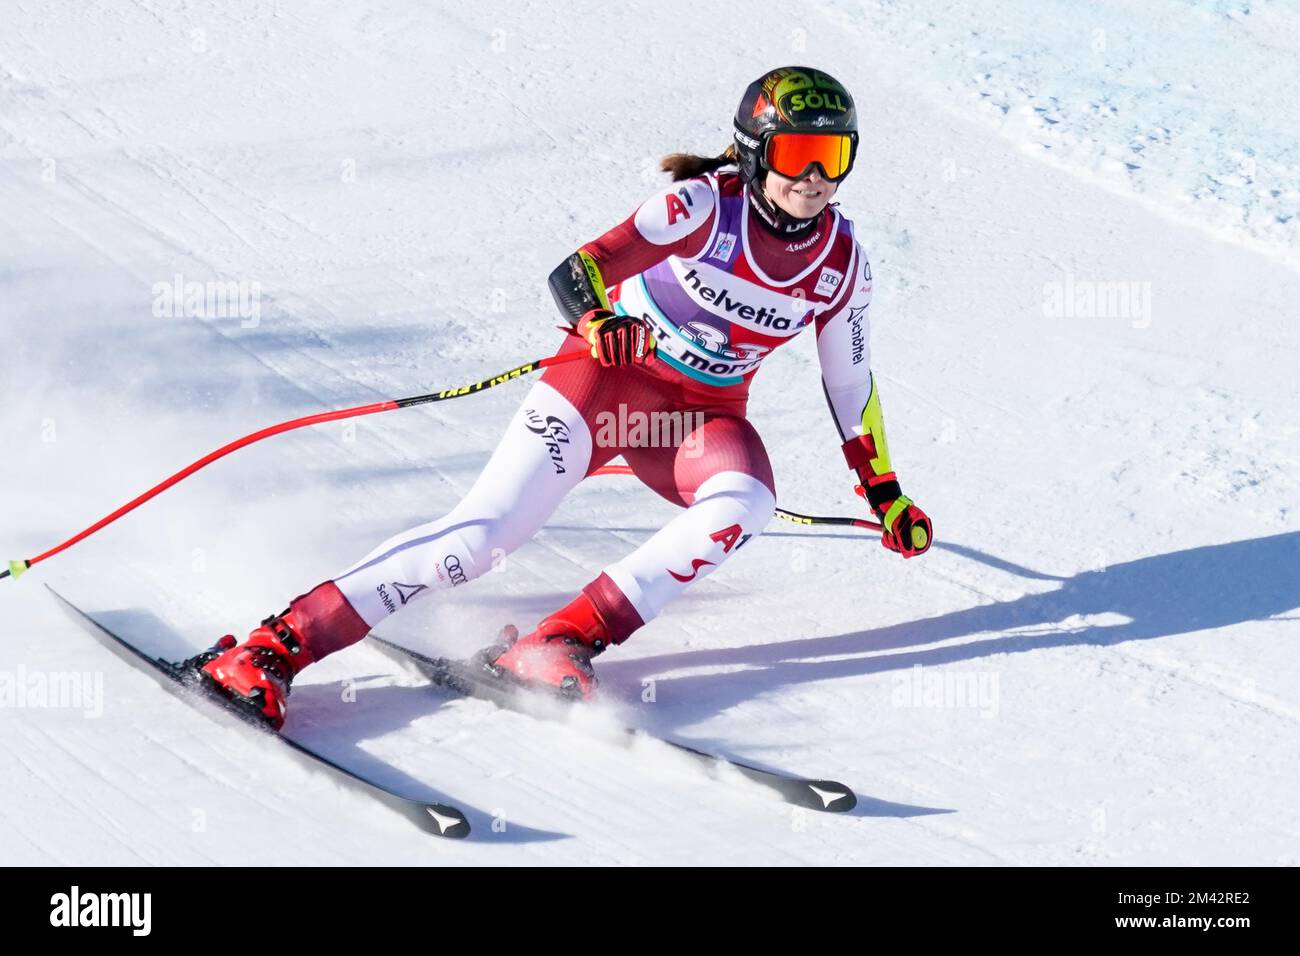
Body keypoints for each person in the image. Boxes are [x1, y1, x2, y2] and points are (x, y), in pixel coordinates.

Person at [197, 66, 933, 729]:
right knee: (480, 542)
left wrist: (884, 490)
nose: (814, 179)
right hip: (602, 385)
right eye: (796, 155)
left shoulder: (842, 265)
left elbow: (849, 381)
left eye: (833, 157)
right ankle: (275, 646)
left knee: (746, 502)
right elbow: (579, 269)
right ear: (753, 150)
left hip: (695, 422)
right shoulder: (700, 210)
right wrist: (598, 319)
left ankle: (560, 641)